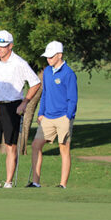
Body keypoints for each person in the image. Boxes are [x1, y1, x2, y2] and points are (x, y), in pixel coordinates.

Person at [0, 30, 41, 188]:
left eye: (3, 46)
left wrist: (25, 103)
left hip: (13, 106)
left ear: (11, 46)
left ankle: (8, 181)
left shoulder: (19, 63)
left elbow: (35, 83)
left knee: (10, 145)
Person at [28, 40, 78, 188]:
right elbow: (45, 94)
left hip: (63, 116)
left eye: (51, 56)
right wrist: (41, 112)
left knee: (64, 148)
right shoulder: (48, 71)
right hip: (48, 117)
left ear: (59, 55)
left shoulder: (68, 73)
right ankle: (36, 182)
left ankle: (62, 184)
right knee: (36, 145)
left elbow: (72, 98)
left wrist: (69, 116)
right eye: (47, 57)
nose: (48, 59)